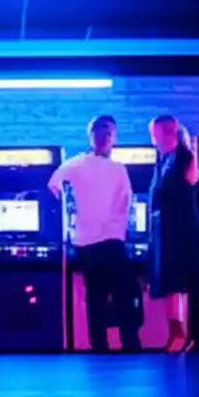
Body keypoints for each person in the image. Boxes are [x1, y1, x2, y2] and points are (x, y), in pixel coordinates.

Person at [49, 115, 142, 352]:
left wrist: (73, 210)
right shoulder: (118, 169)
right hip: (112, 241)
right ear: (111, 138)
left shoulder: (73, 164)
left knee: (96, 299)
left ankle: (99, 348)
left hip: (84, 242)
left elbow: (53, 186)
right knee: (123, 296)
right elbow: (128, 203)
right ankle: (130, 345)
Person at [148, 114, 199, 353]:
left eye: (154, 133)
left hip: (180, 232)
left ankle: (182, 334)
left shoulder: (184, 157)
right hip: (165, 231)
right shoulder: (164, 160)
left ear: (163, 132)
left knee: (179, 284)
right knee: (170, 285)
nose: (151, 138)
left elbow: (191, 180)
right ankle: (175, 332)